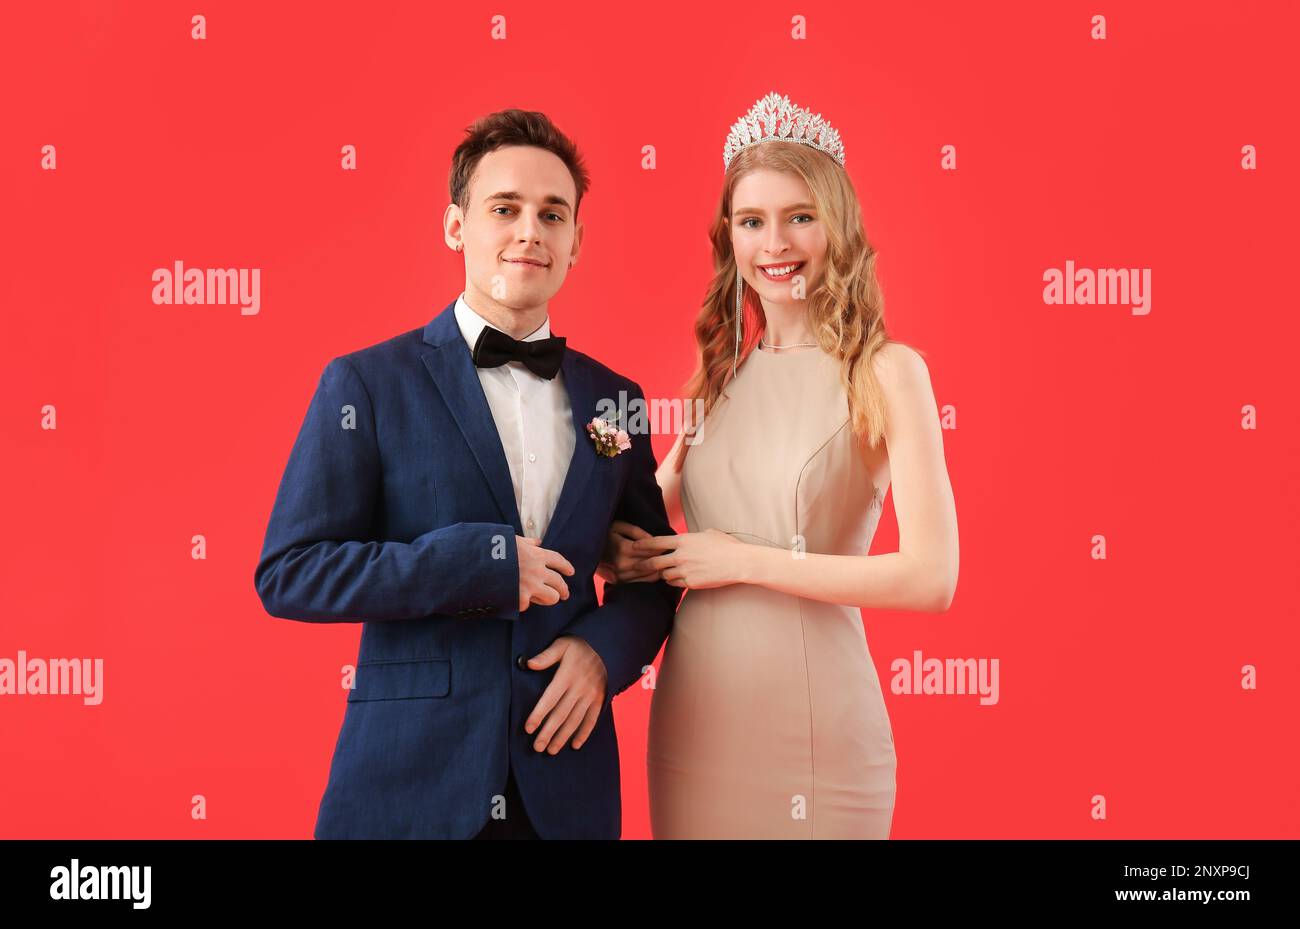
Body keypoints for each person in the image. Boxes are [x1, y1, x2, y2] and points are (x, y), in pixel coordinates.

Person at [254, 108, 681, 839]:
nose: (529, 231)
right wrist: (474, 565)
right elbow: (290, 571)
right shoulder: (365, 383)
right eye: (504, 208)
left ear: (576, 242)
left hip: (565, 781)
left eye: (553, 214)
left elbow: (648, 575)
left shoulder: (619, 401)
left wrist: (604, 655)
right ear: (456, 226)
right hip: (409, 786)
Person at [598, 91, 959, 839]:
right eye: (751, 221)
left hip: (815, 725)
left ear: (838, 223)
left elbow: (931, 577)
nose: (776, 243)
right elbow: (645, 534)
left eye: (800, 215)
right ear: (729, 237)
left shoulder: (888, 371)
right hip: (698, 716)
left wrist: (744, 559)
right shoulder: (719, 375)